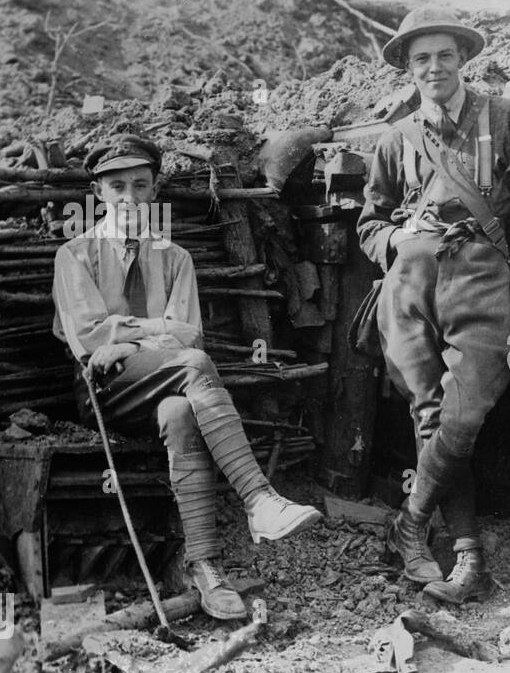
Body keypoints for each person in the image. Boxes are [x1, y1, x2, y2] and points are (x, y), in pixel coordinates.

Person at [52, 136, 321, 620]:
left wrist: (131, 342)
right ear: (98, 193)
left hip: (161, 385)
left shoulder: (175, 258)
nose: (129, 197)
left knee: (181, 411)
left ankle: (203, 564)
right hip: (103, 392)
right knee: (194, 367)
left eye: (140, 185)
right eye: (117, 187)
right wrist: (153, 336)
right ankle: (259, 499)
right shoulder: (74, 255)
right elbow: (90, 340)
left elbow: (189, 333)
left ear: (154, 190)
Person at [357, 8, 510, 604]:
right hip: (410, 282)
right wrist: (400, 237)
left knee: (463, 417)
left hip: (481, 273)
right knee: (429, 414)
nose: (434, 67)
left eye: (444, 55)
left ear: (461, 60)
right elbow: (369, 223)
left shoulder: (504, 116)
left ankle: (411, 521)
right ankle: (468, 556)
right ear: (409, 69)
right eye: (422, 59)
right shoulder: (397, 138)